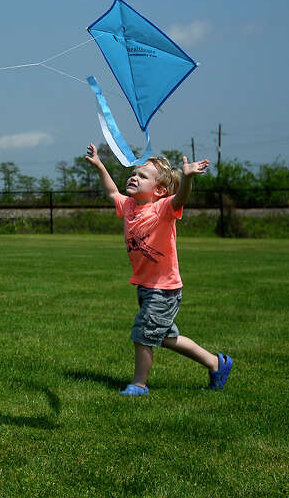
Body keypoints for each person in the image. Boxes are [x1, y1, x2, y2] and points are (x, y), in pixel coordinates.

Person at [84, 143, 234, 396]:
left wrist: (186, 179)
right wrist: (99, 165)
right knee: (163, 337)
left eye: (143, 176)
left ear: (159, 190)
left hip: (163, 289)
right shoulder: (129, 206)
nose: (134, 177)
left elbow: (180, 198)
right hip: (146, 286)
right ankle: (216, 363)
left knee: (142, 334)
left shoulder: (163, 208)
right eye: (134, 173)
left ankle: (139, 384)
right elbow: (111, 192)